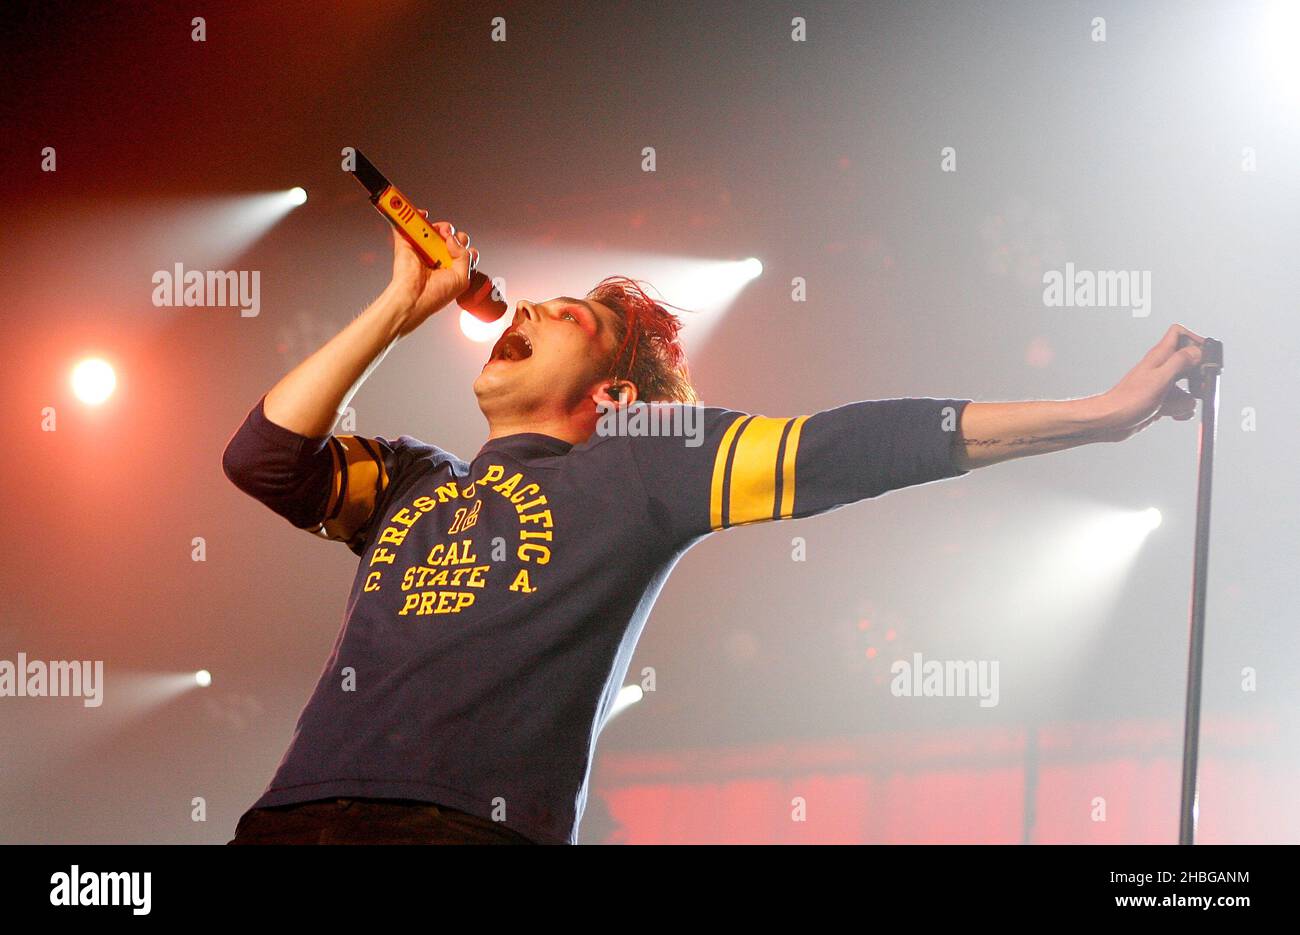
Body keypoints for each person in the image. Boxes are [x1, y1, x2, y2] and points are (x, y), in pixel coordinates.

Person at [221, 214, 1205, 845]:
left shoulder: (642, 457)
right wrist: (397, 305)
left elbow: (845, 446)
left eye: (564, 315)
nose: (524, 308)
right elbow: (261, 458)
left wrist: (1100, 412)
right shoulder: (409, 479)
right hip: (291, 817)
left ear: (610, 391)